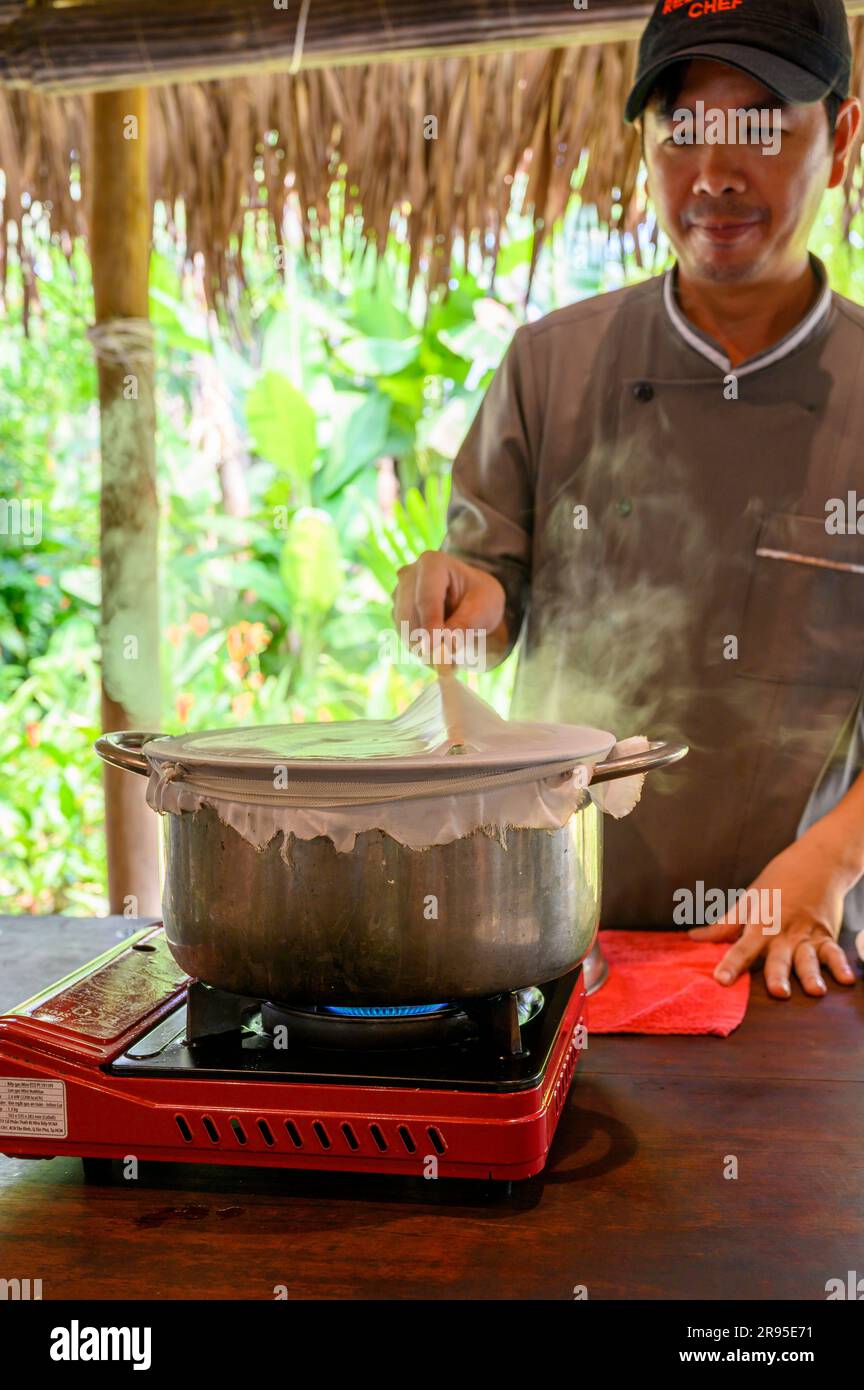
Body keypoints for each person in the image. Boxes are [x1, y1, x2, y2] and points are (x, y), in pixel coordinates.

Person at [393, 0, 864, 1001]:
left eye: (761, 129)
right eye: (682, 133)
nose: (714, 175)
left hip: (795, 948)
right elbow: (489, 600)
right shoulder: (551, 364)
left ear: (844, 135)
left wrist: (830, 861)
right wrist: (463, 603)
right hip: (549, 934)